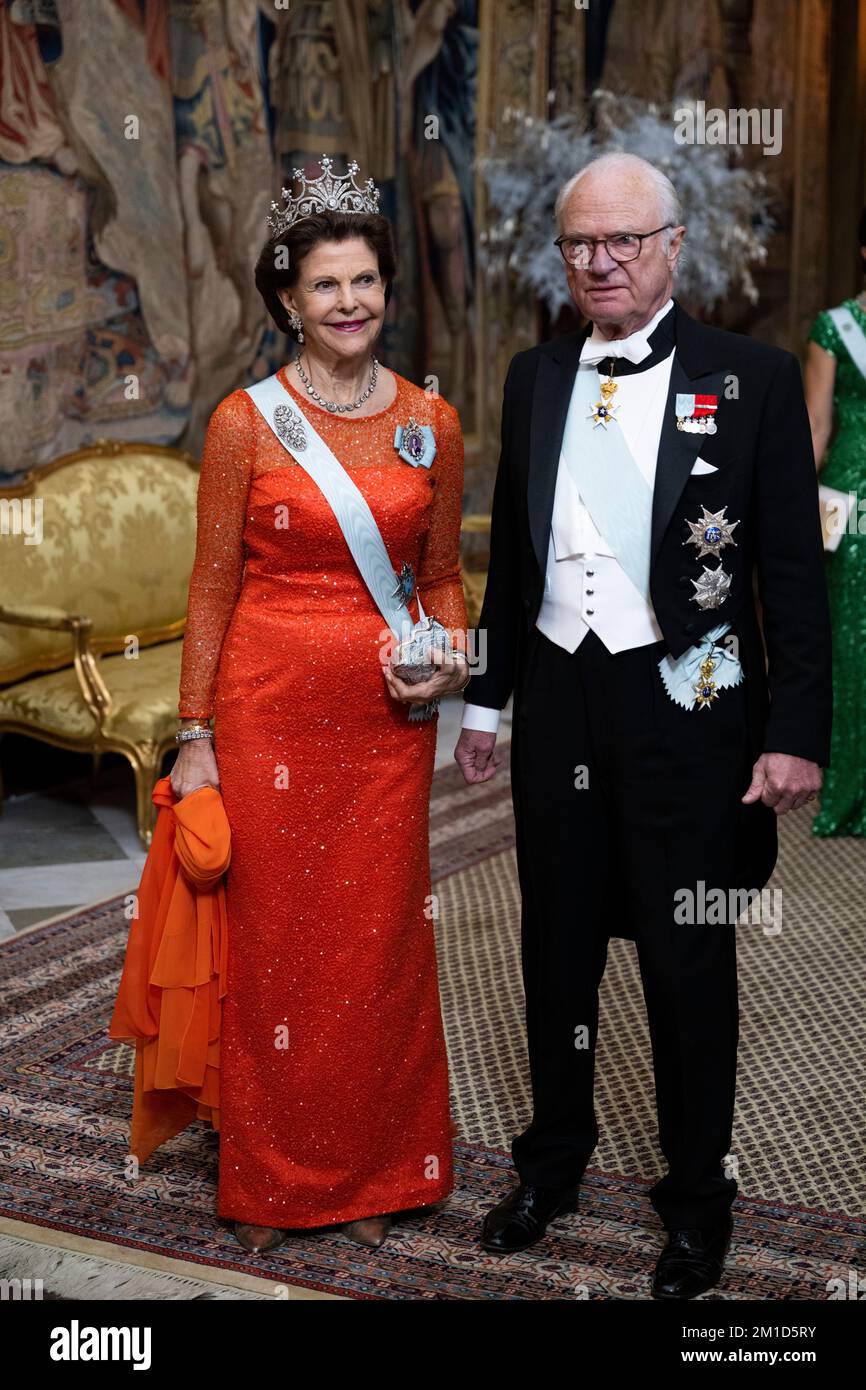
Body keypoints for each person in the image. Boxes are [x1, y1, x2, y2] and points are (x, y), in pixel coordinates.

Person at [454, 151, 832, 1299]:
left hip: (694, 703)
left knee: (684, 958)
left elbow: (786, 575)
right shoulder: (530, 376)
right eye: (580, 243)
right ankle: (550, 1165)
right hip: (560, 699)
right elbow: (514, 566)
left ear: (674, 245)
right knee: (554, 950)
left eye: (623, 240)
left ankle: (693, 1204)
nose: (601, 261)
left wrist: (794, 729)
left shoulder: (752, 377)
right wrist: (484, 697)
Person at [172, 157, 469, 1254]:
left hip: (386, 726)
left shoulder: (431, 420)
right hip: (266, 714)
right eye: (325, 286)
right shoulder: (244, 423)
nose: (349, 304)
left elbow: (440, 577)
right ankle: (279, 1178)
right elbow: (210, 585)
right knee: (280, 945)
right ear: (287, 300)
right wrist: (194, 733)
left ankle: (392, 1163)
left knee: (380, 940)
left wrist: (442, 651)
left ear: (387, 289)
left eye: (366, 283)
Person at [804, 210, 866, 837]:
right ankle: (849, 785)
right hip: (852, 502)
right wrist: (798, 511)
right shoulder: (836, 327)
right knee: (851, 639)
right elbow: (816, 426)